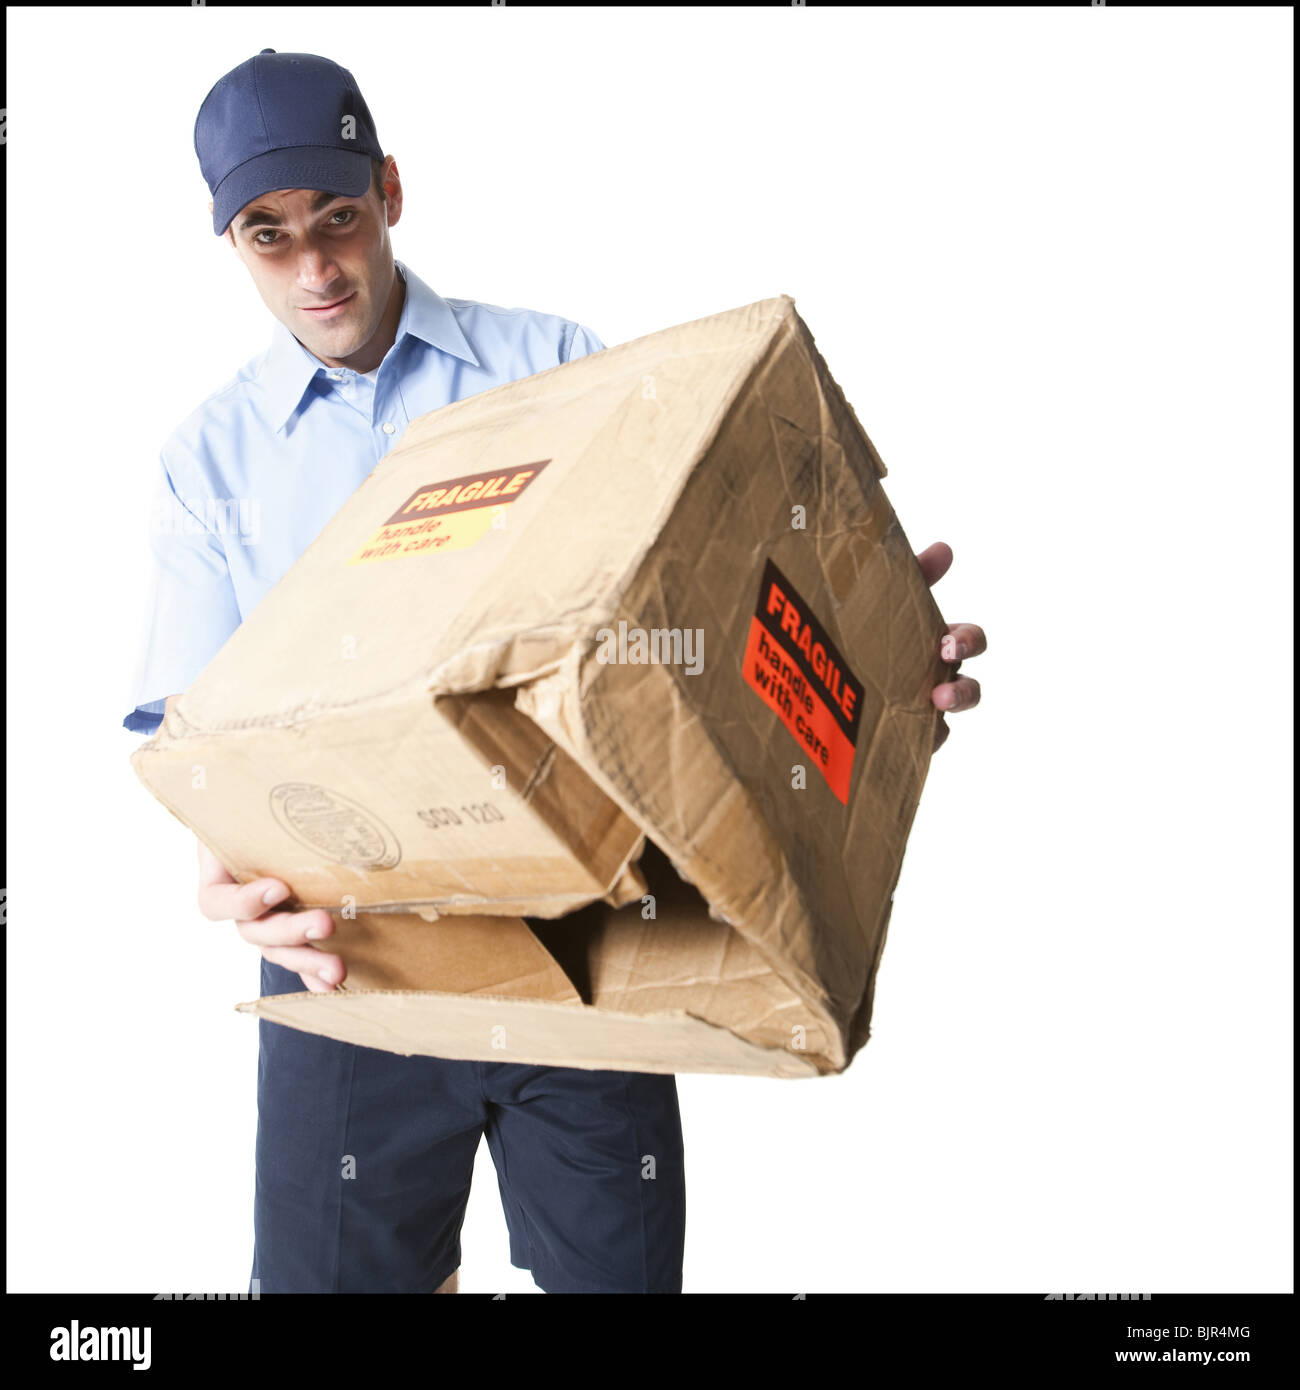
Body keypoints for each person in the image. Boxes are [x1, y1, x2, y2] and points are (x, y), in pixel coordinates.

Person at [124, 49, 986, 1295]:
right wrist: (223, 883)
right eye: (270, 238)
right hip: (353, 966)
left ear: (391, 192)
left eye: (339, 220)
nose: (315, 268)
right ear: (232, 243)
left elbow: (687, 598)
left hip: (588, 939)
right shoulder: (203, 465)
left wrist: (865, 634)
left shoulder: (555, 364)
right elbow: (205, 761)